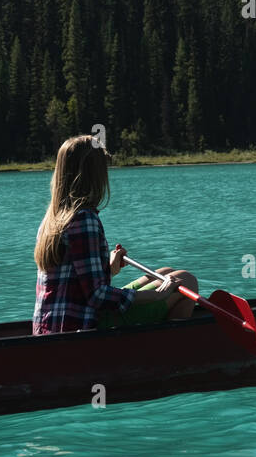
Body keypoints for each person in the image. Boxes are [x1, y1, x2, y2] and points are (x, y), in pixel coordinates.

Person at [32, 133, 199, 334]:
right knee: (187, 280)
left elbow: (75, 283)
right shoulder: (84, 220)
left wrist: (108, 269)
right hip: (81, 325)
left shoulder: (52, 219)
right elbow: (97, 297)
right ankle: (165, 356)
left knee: (164, 272)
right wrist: (157, 295)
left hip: (49, 326)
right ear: (93, 175)